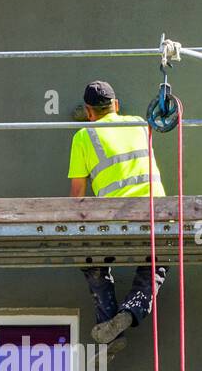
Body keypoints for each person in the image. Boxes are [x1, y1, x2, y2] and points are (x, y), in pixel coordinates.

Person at [68, 80, 167, 356]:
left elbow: (77, 197)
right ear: (117, 106)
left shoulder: (83, 136)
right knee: (156, 265)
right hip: (155, 213)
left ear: (88, 112)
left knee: (94, 263)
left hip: (114, 218)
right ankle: (131, 311)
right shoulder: (138, 123)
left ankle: (110, 326)